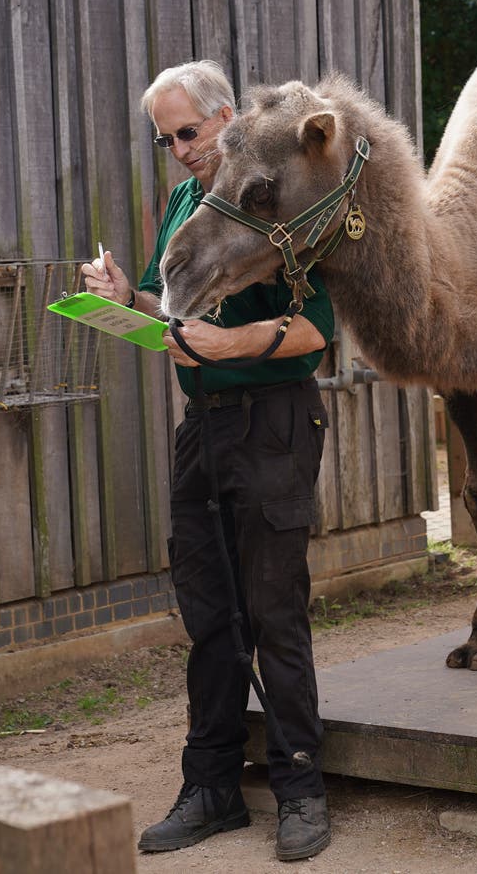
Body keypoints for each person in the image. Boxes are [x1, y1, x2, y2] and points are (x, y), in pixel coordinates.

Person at [81, 60, 334, 862]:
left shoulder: (280, 191)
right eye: (167, 140)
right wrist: (127, 298)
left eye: (188, 132)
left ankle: (300, 788)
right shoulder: (188, 202)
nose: (181, 149)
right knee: (209, 615)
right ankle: (213, 788)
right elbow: (174, 309)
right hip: (205, 425)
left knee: (275, 613)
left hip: (275, 420)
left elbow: (319, 326)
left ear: (227, 117)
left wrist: (233, 343)